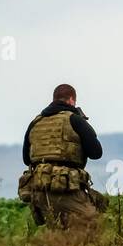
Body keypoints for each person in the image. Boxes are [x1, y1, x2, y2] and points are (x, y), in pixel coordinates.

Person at [19, 83, 107, 227]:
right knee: (93, 223)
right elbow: (96, 153)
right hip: (67, 190)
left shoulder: (35, 122)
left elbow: (26, 159)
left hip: (40, 191)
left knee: (57, 231)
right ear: (71, 100)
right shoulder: (74, 119)